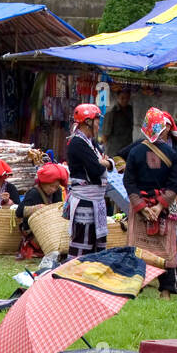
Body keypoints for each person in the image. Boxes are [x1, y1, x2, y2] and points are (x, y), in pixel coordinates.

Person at [124, 107, 177, 298]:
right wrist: (159, 206)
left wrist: (142, 208)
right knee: (165, 251)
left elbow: (129, 181)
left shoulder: (134, 152)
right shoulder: (173, 155)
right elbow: (175, 183)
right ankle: (165, 291)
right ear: (161, 129)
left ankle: (136, 288)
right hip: (163, 210)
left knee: (137, 249)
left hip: (139, 206)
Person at [66, 103, 114, 257]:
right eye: (97, 121)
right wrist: (104, 163)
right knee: (83, 242)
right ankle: (76, 277)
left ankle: (92, 276)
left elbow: (104, 163)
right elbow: (96, 170)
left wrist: (104, 163)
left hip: (96, 201)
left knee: (96, 242)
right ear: (88, 122)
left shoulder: (90, 142)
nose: (98, 125)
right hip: (85, 201)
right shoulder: (77, 143)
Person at [16, 162, 67, 257]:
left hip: (52, 228)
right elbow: (19, 212)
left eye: (56, 187)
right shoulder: (33, 193)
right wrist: (37, 208)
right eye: (51, 186)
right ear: (43, 183)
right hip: (34, 231)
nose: (53, 189)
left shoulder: (57, 192)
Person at [103, 88, 136, 158]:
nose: (125, 100)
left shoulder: (130, 110)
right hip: (114, 150)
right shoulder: (111, 112)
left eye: (127, 98)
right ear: (118, 97)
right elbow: (105, 135)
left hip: (127, 148)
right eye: (122, 98)